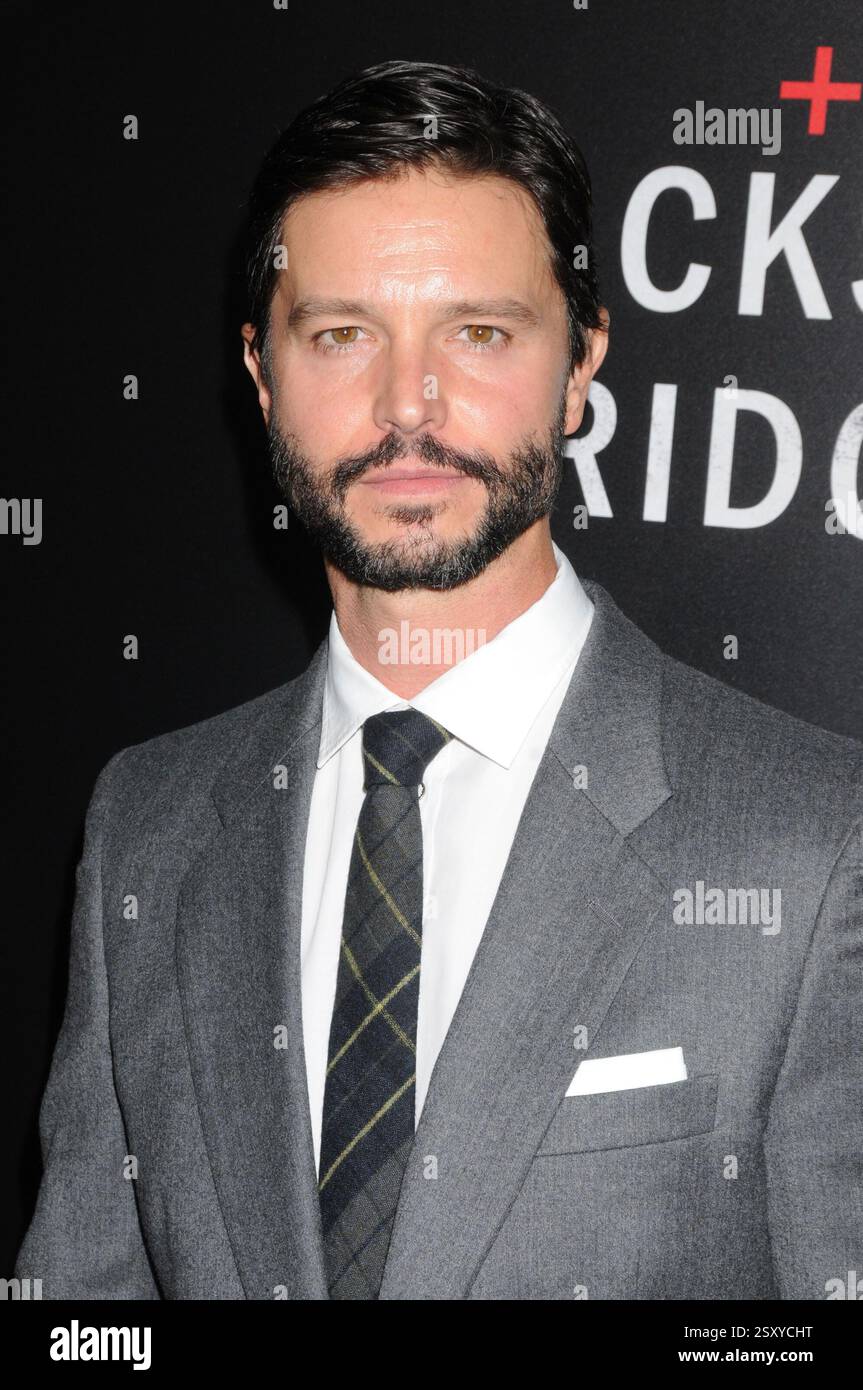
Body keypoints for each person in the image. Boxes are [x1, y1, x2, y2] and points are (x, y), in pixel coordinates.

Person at [16, 59, 862, 1300]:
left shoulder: (814, 838)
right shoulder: (146, 830)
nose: (406, 404)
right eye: (343, 332)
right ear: (261, 378)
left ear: (580, 362)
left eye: (476, 332)